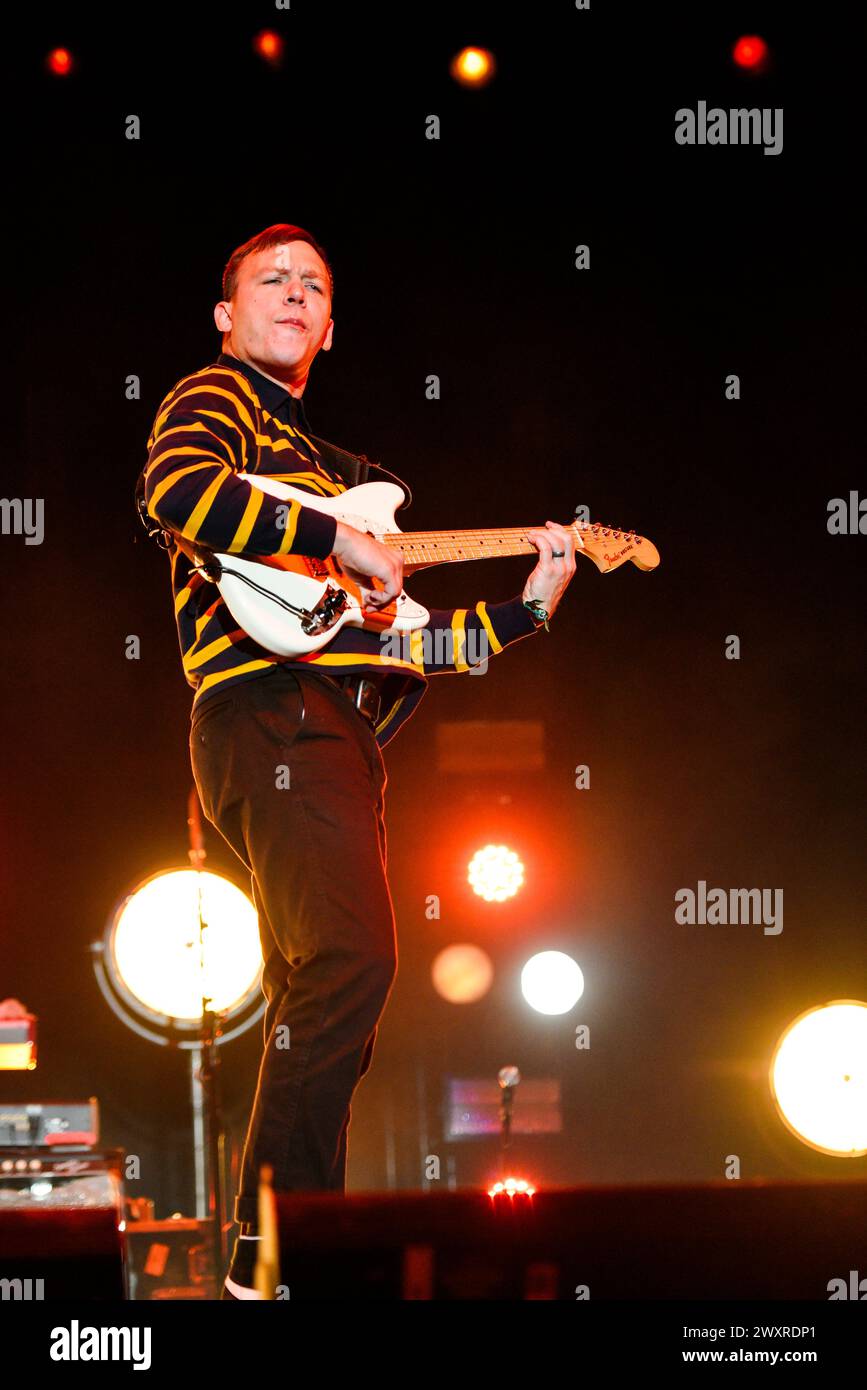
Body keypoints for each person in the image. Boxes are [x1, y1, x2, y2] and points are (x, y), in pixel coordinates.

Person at [139, 223, 577, 1297]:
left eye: (314, 286)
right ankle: (274, 1259)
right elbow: (175, 491)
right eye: (270, 280)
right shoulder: (218, 396)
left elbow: (401, 642)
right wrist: (337, 542)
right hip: (263, 711)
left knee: (334, 977)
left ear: (331, 326)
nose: (293, 293)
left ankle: (283, 1252)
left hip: (325, 726)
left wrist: (524, 612)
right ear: (225, 313)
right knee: (347, 965)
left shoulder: (341, 477)